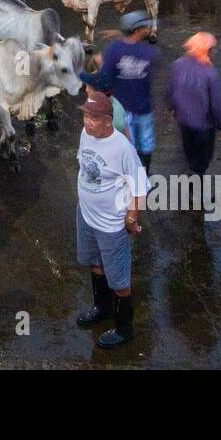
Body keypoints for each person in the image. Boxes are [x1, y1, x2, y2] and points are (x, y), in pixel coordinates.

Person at [74, 91, 146, 349]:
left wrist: (130, 217)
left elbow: (139, 189)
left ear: (107, 120)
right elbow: (84, 166)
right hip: (86, 215)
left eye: (92, 118)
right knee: (93, 263)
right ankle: (101, 308)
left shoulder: (123, 148)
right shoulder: (85, 135)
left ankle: (125, 327)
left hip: (111, 225)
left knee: (119, 279)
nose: (86, 122)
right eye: (84, 116)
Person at [95, 11, 158, 171]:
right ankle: (144, 179)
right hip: (144, 109)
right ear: (137, 31)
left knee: (124, 148)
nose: (149, 29)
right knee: (146, 147)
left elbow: (104, 81)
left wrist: (100, 63)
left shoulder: (114, 50)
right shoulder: (149, 53)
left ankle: (128, 181)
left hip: (122, 111)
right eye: (146, 27)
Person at [168, 32, 221, 175]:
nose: (216, 51)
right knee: (203, 160)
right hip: (204, 126)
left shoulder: (178, 64)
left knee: (190, 154)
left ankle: (191, 177)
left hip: (184, 121)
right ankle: (195, 192)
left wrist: (172, 108)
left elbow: (171, 89)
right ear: (207, 50)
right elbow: (216, 104)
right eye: (213, 48)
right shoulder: (210, 73)